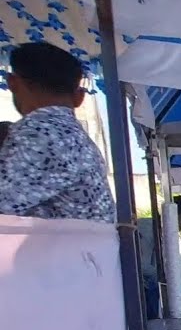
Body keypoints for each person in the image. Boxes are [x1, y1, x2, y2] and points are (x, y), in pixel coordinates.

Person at [0, 42, 114, 223]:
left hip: (66, 241)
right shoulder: (72, 134)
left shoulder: (39, 133)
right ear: (78, 97)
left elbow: (4, 203)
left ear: (13, 82)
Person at [138, 196, 181, 318]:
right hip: (142, 289)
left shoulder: (165, 232)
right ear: (172, 214)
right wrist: (166, 275)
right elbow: (141, 265)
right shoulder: (147, 229)